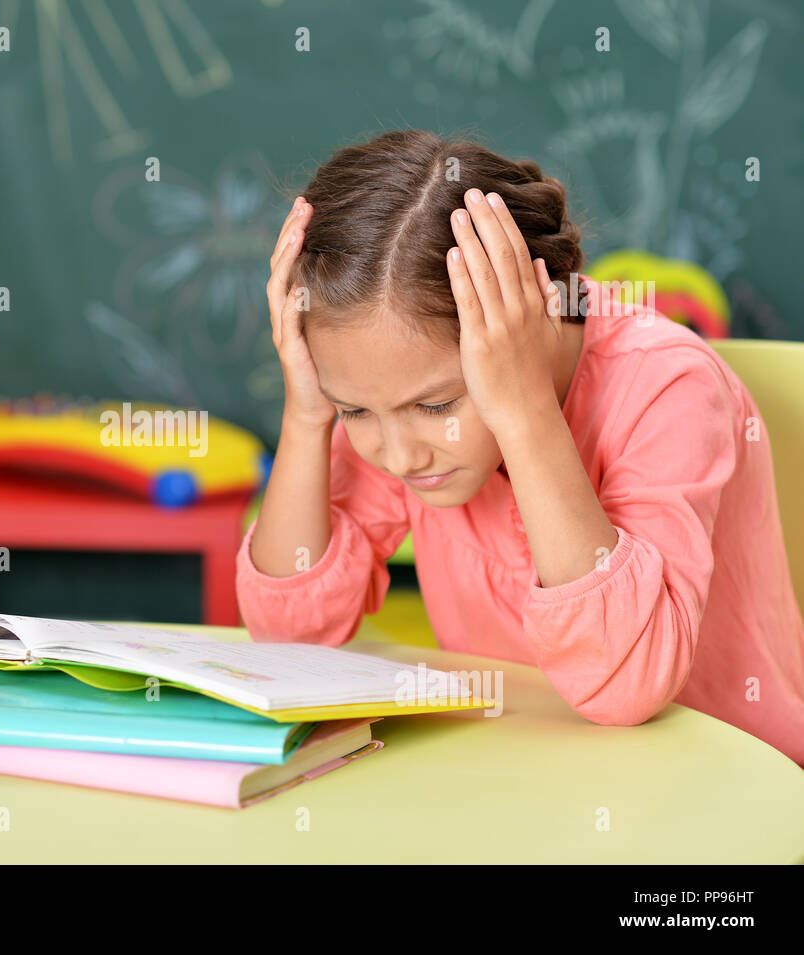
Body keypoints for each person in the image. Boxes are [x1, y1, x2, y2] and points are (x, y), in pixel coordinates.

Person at [238, 129, 804, 765]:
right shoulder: (398, 395)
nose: (399, 457)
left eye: (435, 406)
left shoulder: (670, 385)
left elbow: (627, 688)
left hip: (721, 782)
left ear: (526, 317)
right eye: (355, 411)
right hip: (520, 774)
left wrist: (524, 408)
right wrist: (308, 416)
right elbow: (291, 634)